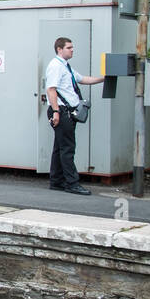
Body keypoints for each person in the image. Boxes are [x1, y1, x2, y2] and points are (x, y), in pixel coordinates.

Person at [45, 36, 105, 195]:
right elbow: (51, 89)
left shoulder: (66, 67)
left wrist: (103, 79)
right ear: (59, 49)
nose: (72, 50)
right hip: (62, 110)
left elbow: (82, 79)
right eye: (69, 48)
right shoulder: (55, 66)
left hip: (65, 111)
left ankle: (56, 181)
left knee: (60, 147)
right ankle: (72, 183)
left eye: (72, 47)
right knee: (68, 148)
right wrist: (56, 111)